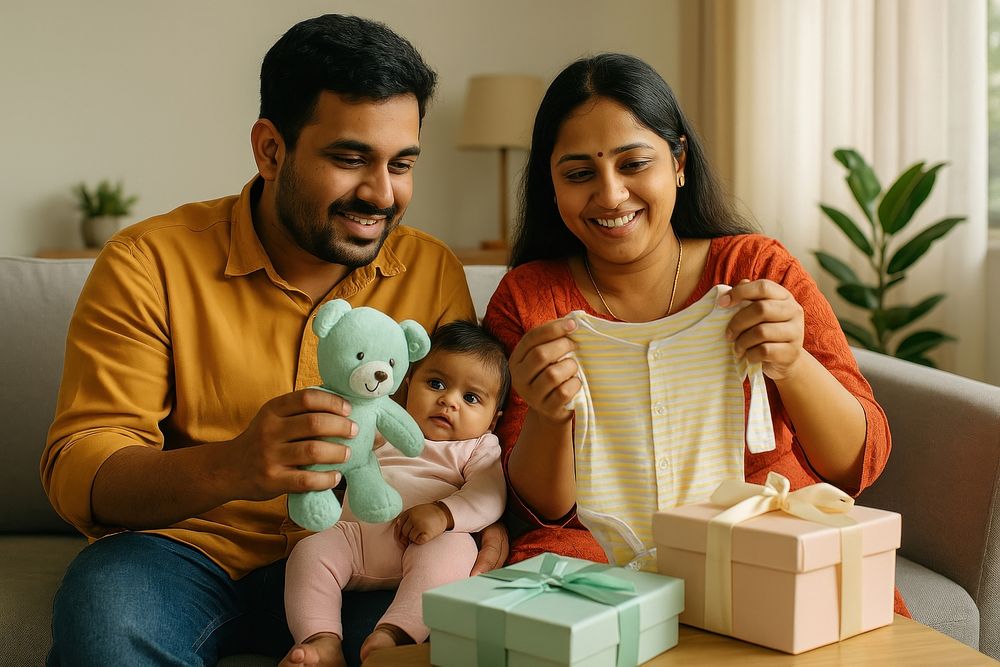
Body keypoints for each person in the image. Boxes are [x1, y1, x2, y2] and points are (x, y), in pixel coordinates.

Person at [41, 14, 507, 666]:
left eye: (401, 164)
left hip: (370, 551)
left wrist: (483, 525)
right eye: (350, 158)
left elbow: (465, 435)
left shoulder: (431, 270)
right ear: (270, 150)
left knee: (444, 640)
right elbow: (79, 472)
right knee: (106, 622)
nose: (381, 193)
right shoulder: (148, 263)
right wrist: (233, 465)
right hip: (180, 552)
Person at [482, 53, 906, 614]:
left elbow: (859, 463)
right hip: (596, 563)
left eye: (634, 164)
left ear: (678, 162)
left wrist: (793, 363)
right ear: (552, 185)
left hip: (765, 551)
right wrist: (548, 414)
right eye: (579, 174)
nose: (610, 195)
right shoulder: (528, 299)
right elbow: (540, 510)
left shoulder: (757, 270)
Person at [281, 320, 509, 667]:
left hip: (426, 542)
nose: (448, 401)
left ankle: (395, 635)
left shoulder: (478, 446)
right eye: (436, 384)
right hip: (356, 537)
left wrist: (443, 514)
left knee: (456, 551)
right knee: (309, 552)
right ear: (407, 384)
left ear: (492, 419)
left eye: (471, 398)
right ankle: (320, 639)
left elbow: (488, 494)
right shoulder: (388, 424)